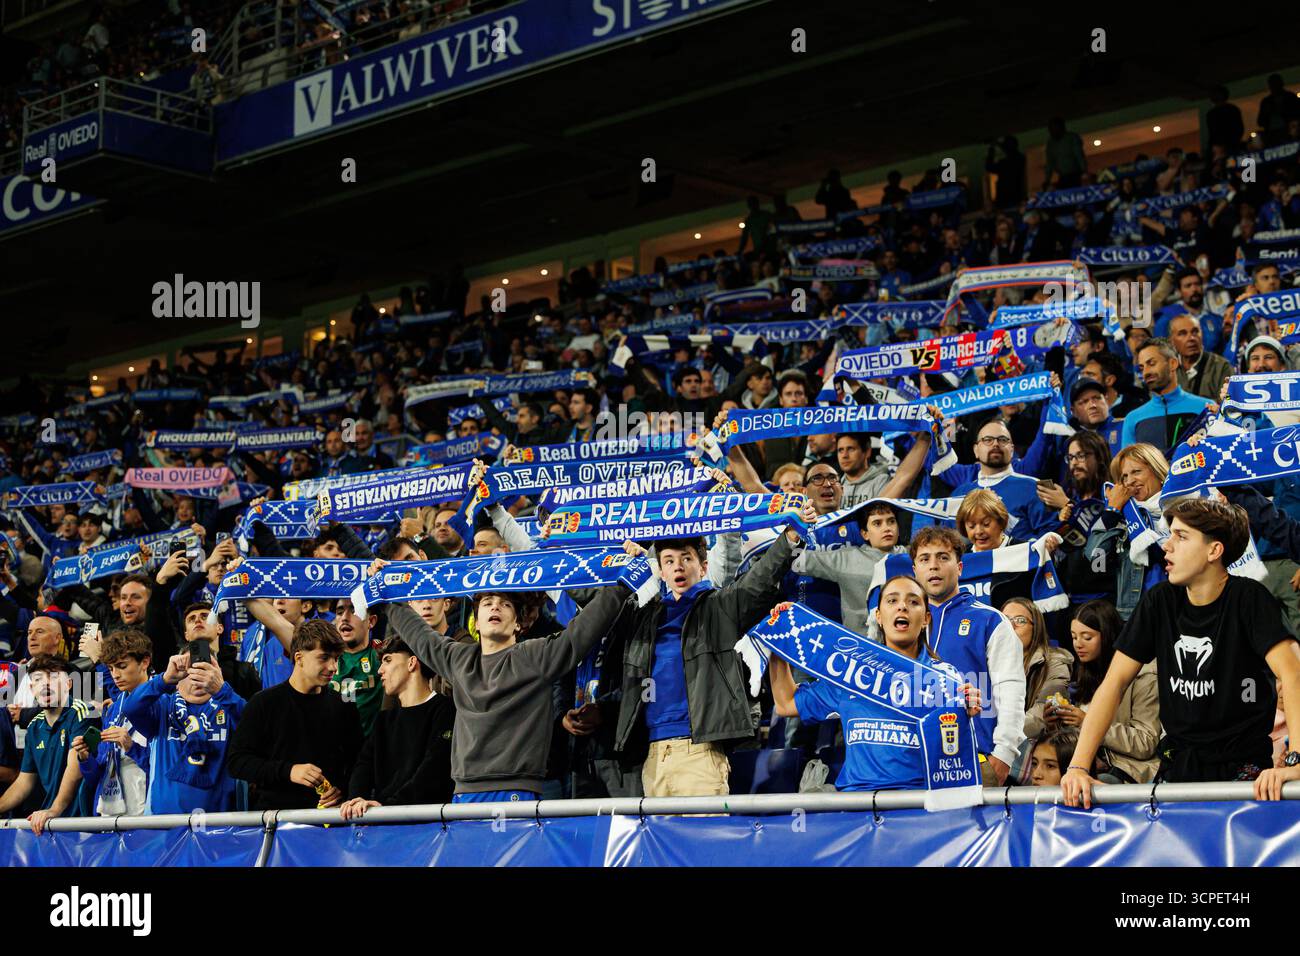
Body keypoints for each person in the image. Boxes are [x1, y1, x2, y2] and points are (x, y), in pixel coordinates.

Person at [1063, 498, 1300, 807]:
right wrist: (1078, 767)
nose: (1167, 546)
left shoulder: (1250, 599)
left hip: (1242, 771)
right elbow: (1114, 683)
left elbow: (1293, 674)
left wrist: (1295, 762)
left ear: (1214, 551)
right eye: (1169, 534)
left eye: (1181, 536)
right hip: (1177, 765)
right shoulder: (1159, 600)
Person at [375, 557, 638, 802]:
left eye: (505, 604)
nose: (495, 606)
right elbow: (418, 634)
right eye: (487, 603)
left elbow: (581, 632)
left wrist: (623, 584)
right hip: (465, 793)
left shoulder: (535, 655)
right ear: (475, 623)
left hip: (518, 792)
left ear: (518, 624)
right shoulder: (458, 658)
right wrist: (384, 591)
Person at [609, 503, 812, 798]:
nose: (678, 566)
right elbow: (590, 600)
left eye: (686, 558)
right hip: (651, 756)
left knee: (700, 842)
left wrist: (791, 536)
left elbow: (759, 580)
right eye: (669, 561)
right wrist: (559, 540)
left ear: (703, 567)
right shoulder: (642, 616)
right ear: (661, 571)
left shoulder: (720, 607)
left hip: (699, 753)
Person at [768, 576, 981, 791]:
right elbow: (786, 704)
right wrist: (778, 642)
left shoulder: (945, 677)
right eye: (892, 601)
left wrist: (965, 712)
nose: (902, 607)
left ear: (926, 618)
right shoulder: (850, 672)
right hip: (857, 806)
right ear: (878, 616)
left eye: (913, 602)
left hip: (919, 804)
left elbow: (952, 750)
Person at [909, 526, 1026, 784]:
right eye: (924, 559)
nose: (934, 566)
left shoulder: (989, 620)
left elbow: (1011, 690)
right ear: (914, 570)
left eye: (943, 557)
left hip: (976, 758)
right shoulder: (902, 624)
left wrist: (1004, 755)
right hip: (913, 762)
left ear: (960, 567)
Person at [227, 620, 364, 810]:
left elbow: (358, 762)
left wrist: (343, 789)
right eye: (324, 658)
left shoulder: (343, 705)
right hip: (277, 823)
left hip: (330, 822)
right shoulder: (263, 703)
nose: (333, 667)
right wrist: (289, 771)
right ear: (299, 658)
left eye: (336, 658)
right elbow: (237, 762)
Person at [340, 634, 455, 818]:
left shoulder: (446, 710)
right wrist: (357, 799)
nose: (380, 671)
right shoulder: (383, 720)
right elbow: (363, 767)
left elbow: (433, 772)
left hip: (427, 828)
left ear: (411, 663)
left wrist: (387, 808)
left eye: (388, 660)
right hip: (382, 820)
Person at [121, 645, 245, 814]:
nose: (197, 676)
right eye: (190, 670)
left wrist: (222, 690)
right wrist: (163, 680)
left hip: (218, 825)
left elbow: (255, 729)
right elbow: (130, 708)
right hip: (163, 826)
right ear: (177, 682)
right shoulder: (162, 707)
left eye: (204, 669)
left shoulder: (229, 706)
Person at [1051, 600, 1160, 783]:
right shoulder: (1085, 670)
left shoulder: (1145, 675)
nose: (1078, 644)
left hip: (1129, 769)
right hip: (1086, 762)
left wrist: (1089, 723)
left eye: (1087, 637)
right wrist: (1055, 724)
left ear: (1108, 636)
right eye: (1074, 636)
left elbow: (1145, 743)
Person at [0, 656, 96, 828]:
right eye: (38, 679)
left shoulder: (83, 712)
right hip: (52, 822)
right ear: (31, 688)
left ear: (68, 684)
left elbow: (75, 769)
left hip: (83, 820)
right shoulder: (34, 726)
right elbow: (24, 782)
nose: (45, 684)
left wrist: (54, 809)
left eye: (53, 677)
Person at [70, 629, 152, 818]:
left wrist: (131, 747)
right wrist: (84, 758)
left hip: (146, 815)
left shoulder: (161, 703)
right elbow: (95, 777)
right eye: (111, 669)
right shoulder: (114, 709)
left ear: (145, 662)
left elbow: (164, 768)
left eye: (122, 666)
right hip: (108, 818)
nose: (116, 675)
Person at [1120, 339, 1212, 451]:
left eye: (1151, 363)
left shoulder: (1205, 407)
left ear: (1173, 364)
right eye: (1142, 368)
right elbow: (1129, 466)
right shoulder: (1132, 419)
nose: (1146, 372)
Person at [1001, 599, 1071, 740]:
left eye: (1020, 620)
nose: (1011, 626)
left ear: (1036, 627)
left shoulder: (1055, 662)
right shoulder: (989, 662)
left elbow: (1041, 714)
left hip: (1037, 744)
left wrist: (998, 735)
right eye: (1005, 620)